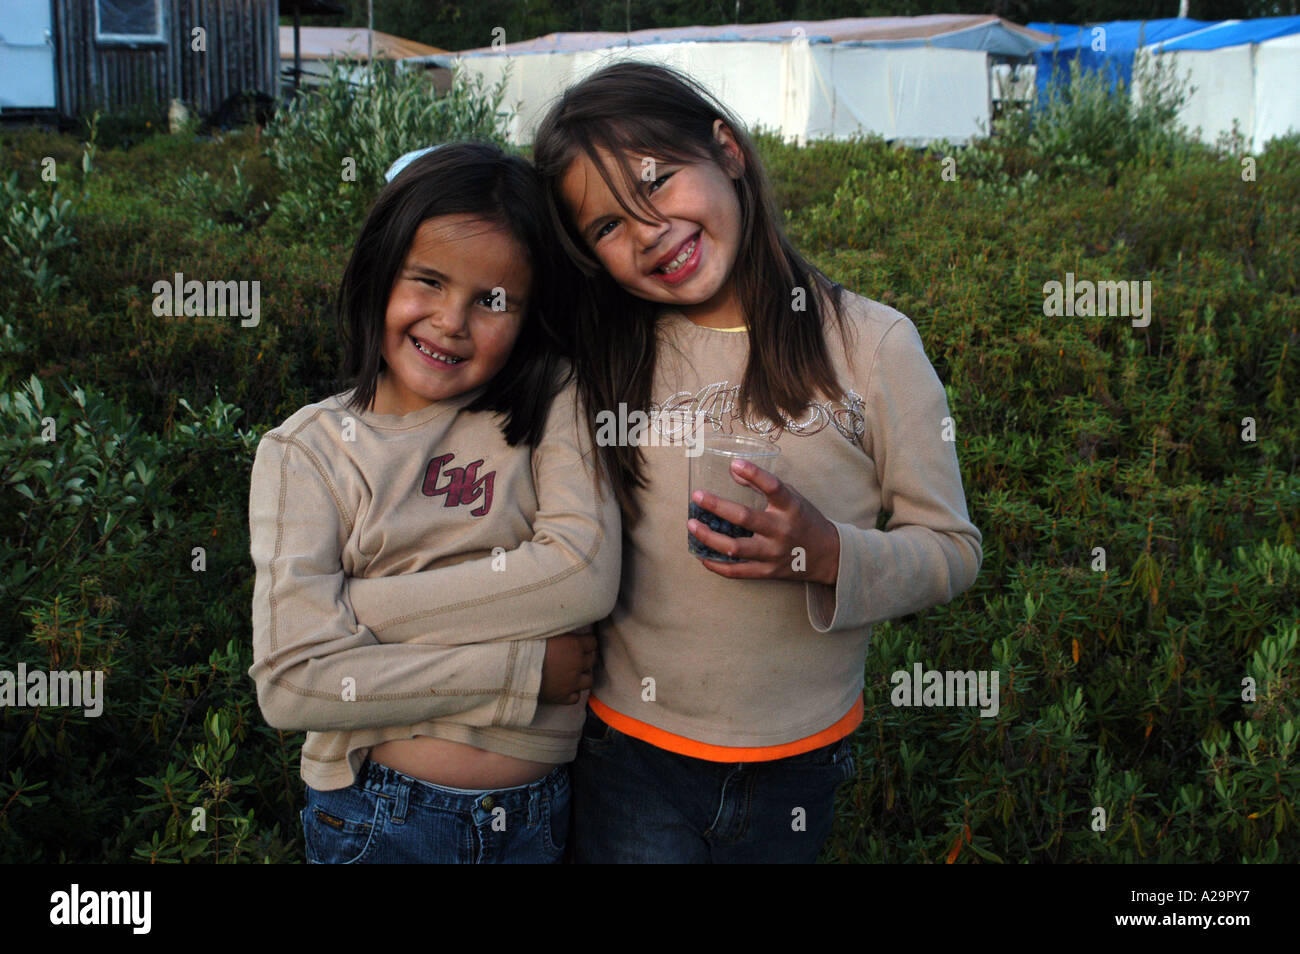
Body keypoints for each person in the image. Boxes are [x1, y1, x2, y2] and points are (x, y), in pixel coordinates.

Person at [532, 61, 984, 863]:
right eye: (606, 227)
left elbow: (950, 550)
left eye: (659, 181)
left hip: (799, 763)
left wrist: (826, 551)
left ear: (728, 151)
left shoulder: (874, 345)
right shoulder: (602, 354)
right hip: (629, 753)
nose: (646, 231)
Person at [247, 141, 620, 864]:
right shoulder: (308, 452)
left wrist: (363, 609)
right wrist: (517, 672)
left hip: (539, 820)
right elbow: (293, 686)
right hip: (382, 817)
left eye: (493, 300)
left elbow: (583, 574)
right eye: (428, 281)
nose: (452, 320)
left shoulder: (552, 401)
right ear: (379, 272)